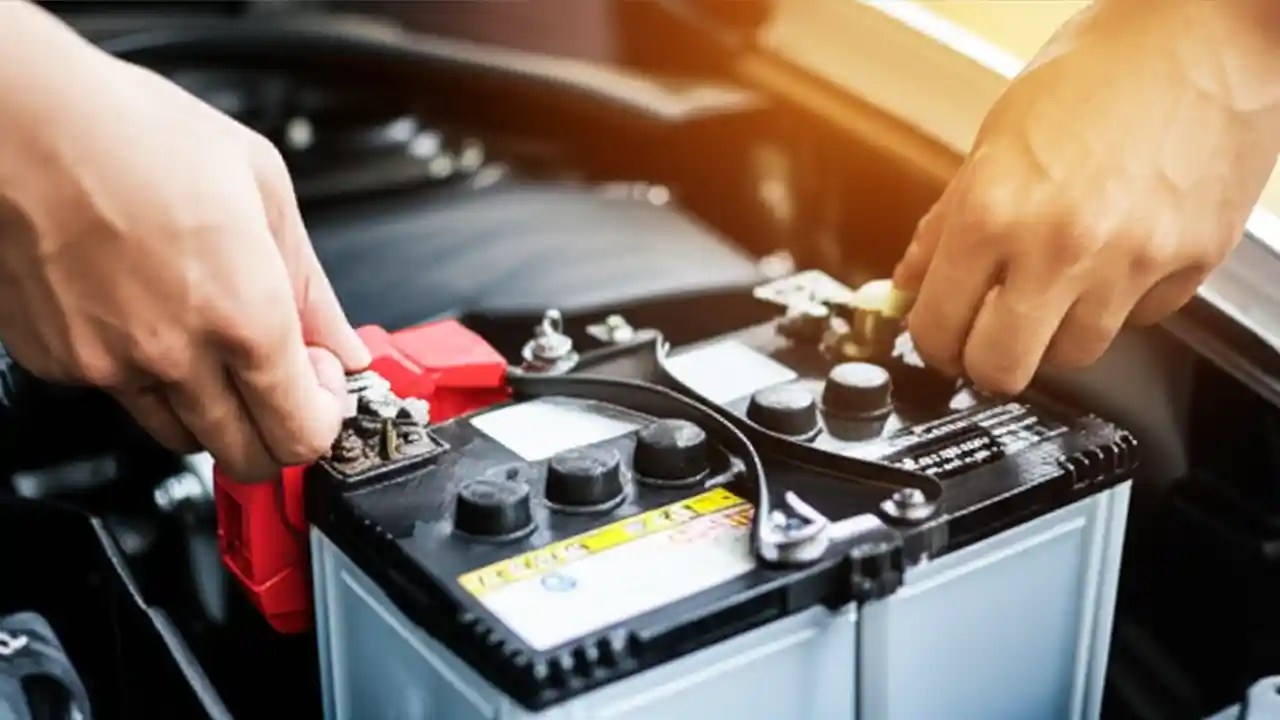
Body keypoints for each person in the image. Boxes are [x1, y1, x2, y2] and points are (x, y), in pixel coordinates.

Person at [0, 1, 1275, 483]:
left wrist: (1211, 32)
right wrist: (25, 104)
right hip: (82, 124)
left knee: (1146, 428)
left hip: (506, 98)